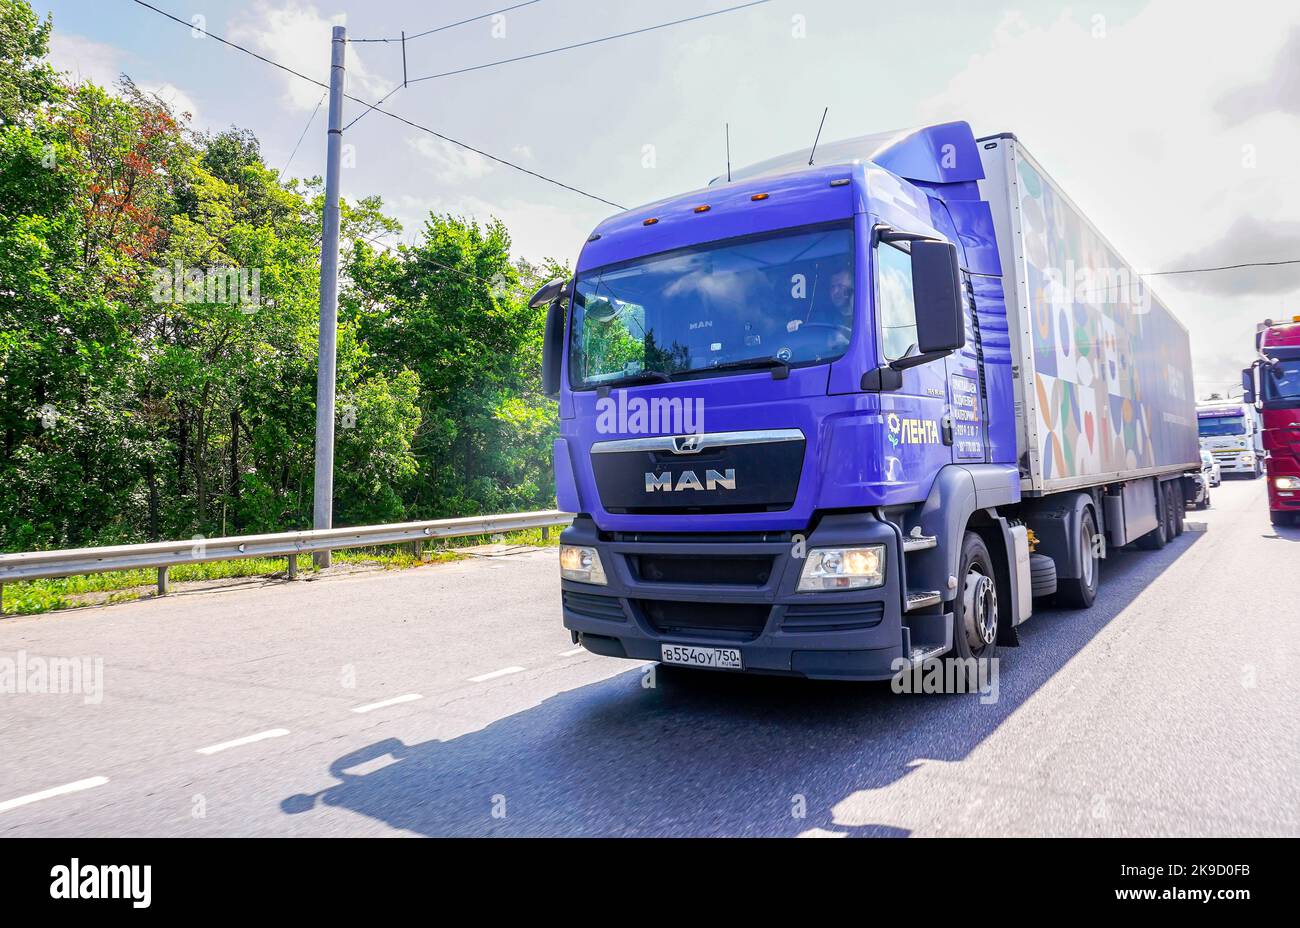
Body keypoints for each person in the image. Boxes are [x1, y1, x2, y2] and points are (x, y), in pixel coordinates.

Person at [787, 268, 853, 333]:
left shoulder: (861, 317)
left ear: (851, 289)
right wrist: (798, 325)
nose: (835, 291)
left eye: (840, 286)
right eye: (832, 287)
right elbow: (811, 328)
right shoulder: (825, 317)